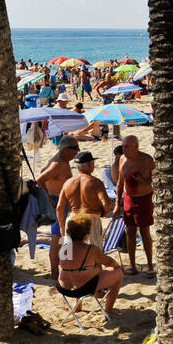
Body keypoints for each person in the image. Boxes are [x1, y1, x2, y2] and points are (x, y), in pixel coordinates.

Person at [57, 214, 122, 316]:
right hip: (84, 288)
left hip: (64, 288)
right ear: (86, 235)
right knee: (119, 273)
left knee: (79, 271)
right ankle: (108, 310)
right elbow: (109, 262)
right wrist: (117, 266)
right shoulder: (91, 250)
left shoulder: (64, 248)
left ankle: (77, 307)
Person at [38, 137, 79, 279]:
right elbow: (39, 180)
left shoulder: (60, 159)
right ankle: (55, 274)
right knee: (57, 240)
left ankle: (59, 272)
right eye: (75, 148)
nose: (78, 151)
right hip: (58, 203)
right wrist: (49, 199)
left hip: (61, 202)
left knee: (61, 238)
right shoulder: (58, 164)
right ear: (66, 149)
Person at [116, 135, 155, 275]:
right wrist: (117, 205)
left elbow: (157, 181)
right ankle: (132, 265)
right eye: (123, 145)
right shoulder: (122, 159)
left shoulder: (147, 160)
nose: (123, 148)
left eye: (127, 146)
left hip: (144, 198)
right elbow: (120, 183)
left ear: (136, 147)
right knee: (130, 232)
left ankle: (150, 265)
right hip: (128, 198)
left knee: (145, 233)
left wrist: (143, 180)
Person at [57, 151, 113, 247]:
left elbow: (59, 207)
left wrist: (62, 227)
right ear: (89, 164)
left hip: (73, 218)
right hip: (90, 219)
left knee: (73, 255)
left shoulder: (68, 183)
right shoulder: (95, 182)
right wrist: (103, 213)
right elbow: (107, 203)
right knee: (93, 254)